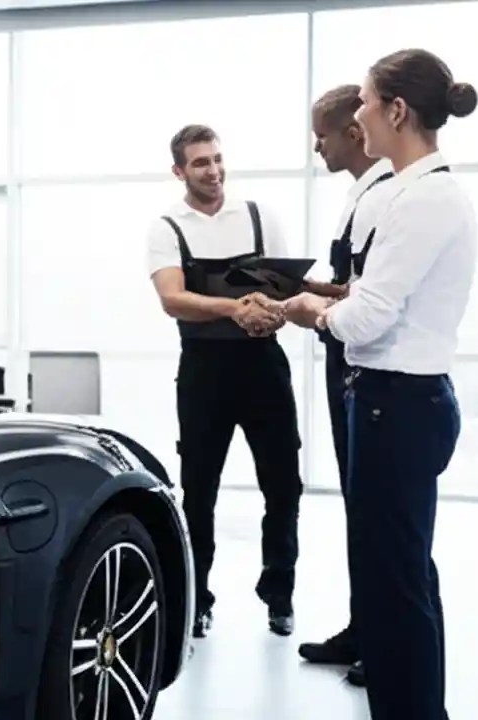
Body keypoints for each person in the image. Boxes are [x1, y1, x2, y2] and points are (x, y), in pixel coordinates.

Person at [284, 48, 478, 720]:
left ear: (396, 110)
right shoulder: (411, 192)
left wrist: (312, 310)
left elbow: (365, 317)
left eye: (365, 100)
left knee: (395, 588)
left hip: (397, 407)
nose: (358, 112)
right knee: (402, 579)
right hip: (395, 405)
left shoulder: (423, 199)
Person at [147, 124, 304, 638]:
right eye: (199, 163)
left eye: (217, 159)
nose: (212, 171)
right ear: (179, 171)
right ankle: (198, 598)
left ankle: (279, 594)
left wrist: (271, 311)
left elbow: (287, 291)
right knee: (199, 491)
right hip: (203, 371)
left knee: (284, 485)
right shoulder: (167, 227)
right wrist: (235, 308)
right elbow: (173, 298)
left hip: (263, 366)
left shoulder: (259, 217)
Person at [295, 84, 397, 688]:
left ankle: (381, 642)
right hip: (348, 359)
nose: (316, 146)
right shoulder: (361, 196)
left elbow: (370, 299)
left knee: (377, 515)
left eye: (323, 134)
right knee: (361, 509)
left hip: (367, 368)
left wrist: (313, 302)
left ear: (354, 133)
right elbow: (354, 285)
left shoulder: (387, 199)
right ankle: (366, 629)